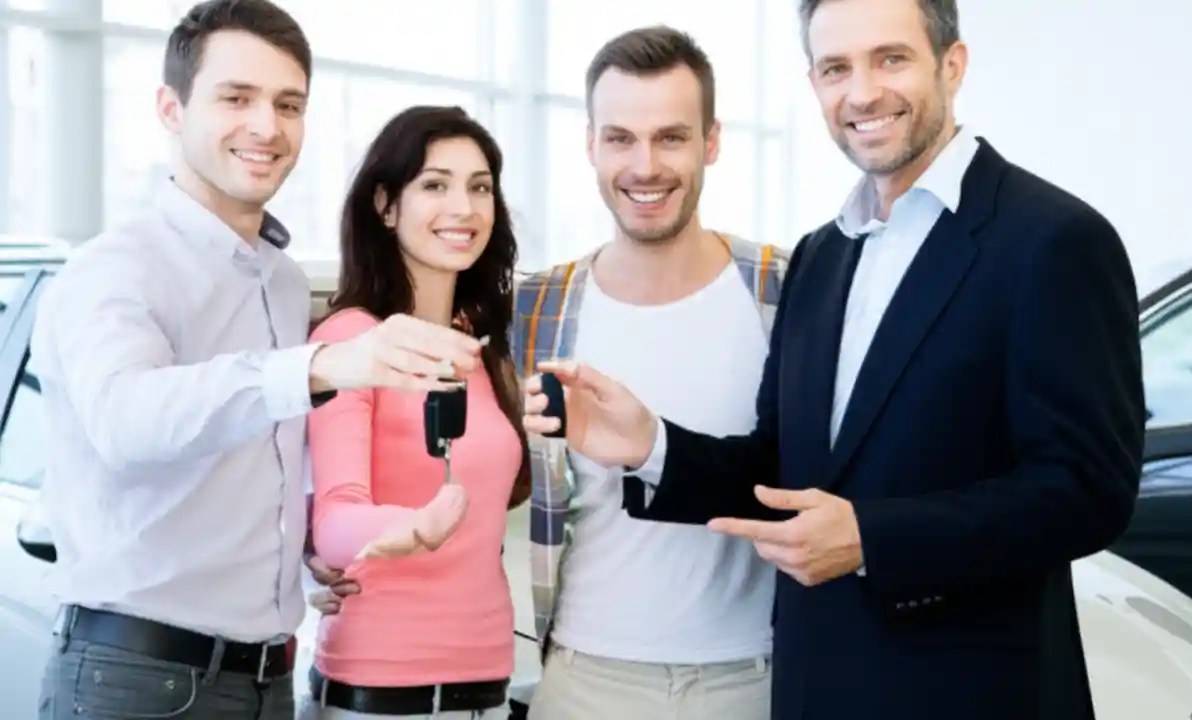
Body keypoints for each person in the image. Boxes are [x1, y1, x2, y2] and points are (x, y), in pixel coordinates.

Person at [522, 1, 1146, 719]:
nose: (861, 92)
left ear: (953, 64)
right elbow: (784, 472)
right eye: (835, 68)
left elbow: (1087, 490)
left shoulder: (1054, 239)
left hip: (970, 697)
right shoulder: (822, 256)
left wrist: (871, 539)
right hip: (815, 688)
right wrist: (652, 445)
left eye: (890, 58)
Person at [308, 25, 789, 720]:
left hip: (748, 674)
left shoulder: (785, 290)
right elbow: (339, 471)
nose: (645, 164)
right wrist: (318, 547)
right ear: (590, 145)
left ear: (711, 142)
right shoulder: (535, 311)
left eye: (672, 137)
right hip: (575, 677)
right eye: (620, 137)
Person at [30, 3, 482, 719]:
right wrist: (319, 366)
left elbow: (253, 456)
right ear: (171, 109)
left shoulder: (280, 279)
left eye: (288, 104)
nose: (267, 126)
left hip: (266, 677)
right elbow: (126, 419)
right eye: (236, 98)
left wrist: (299, 550)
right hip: (137, 676)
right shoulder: (116, 268)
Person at [299, 105, 531, 720]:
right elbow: (335, 522)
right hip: (381, 693)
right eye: (435, 184)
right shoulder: (352, 341)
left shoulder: (484, 353)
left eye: (479, 187)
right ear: (386, 205)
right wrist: (414, 526)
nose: (464, 207)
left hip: (487, 687)